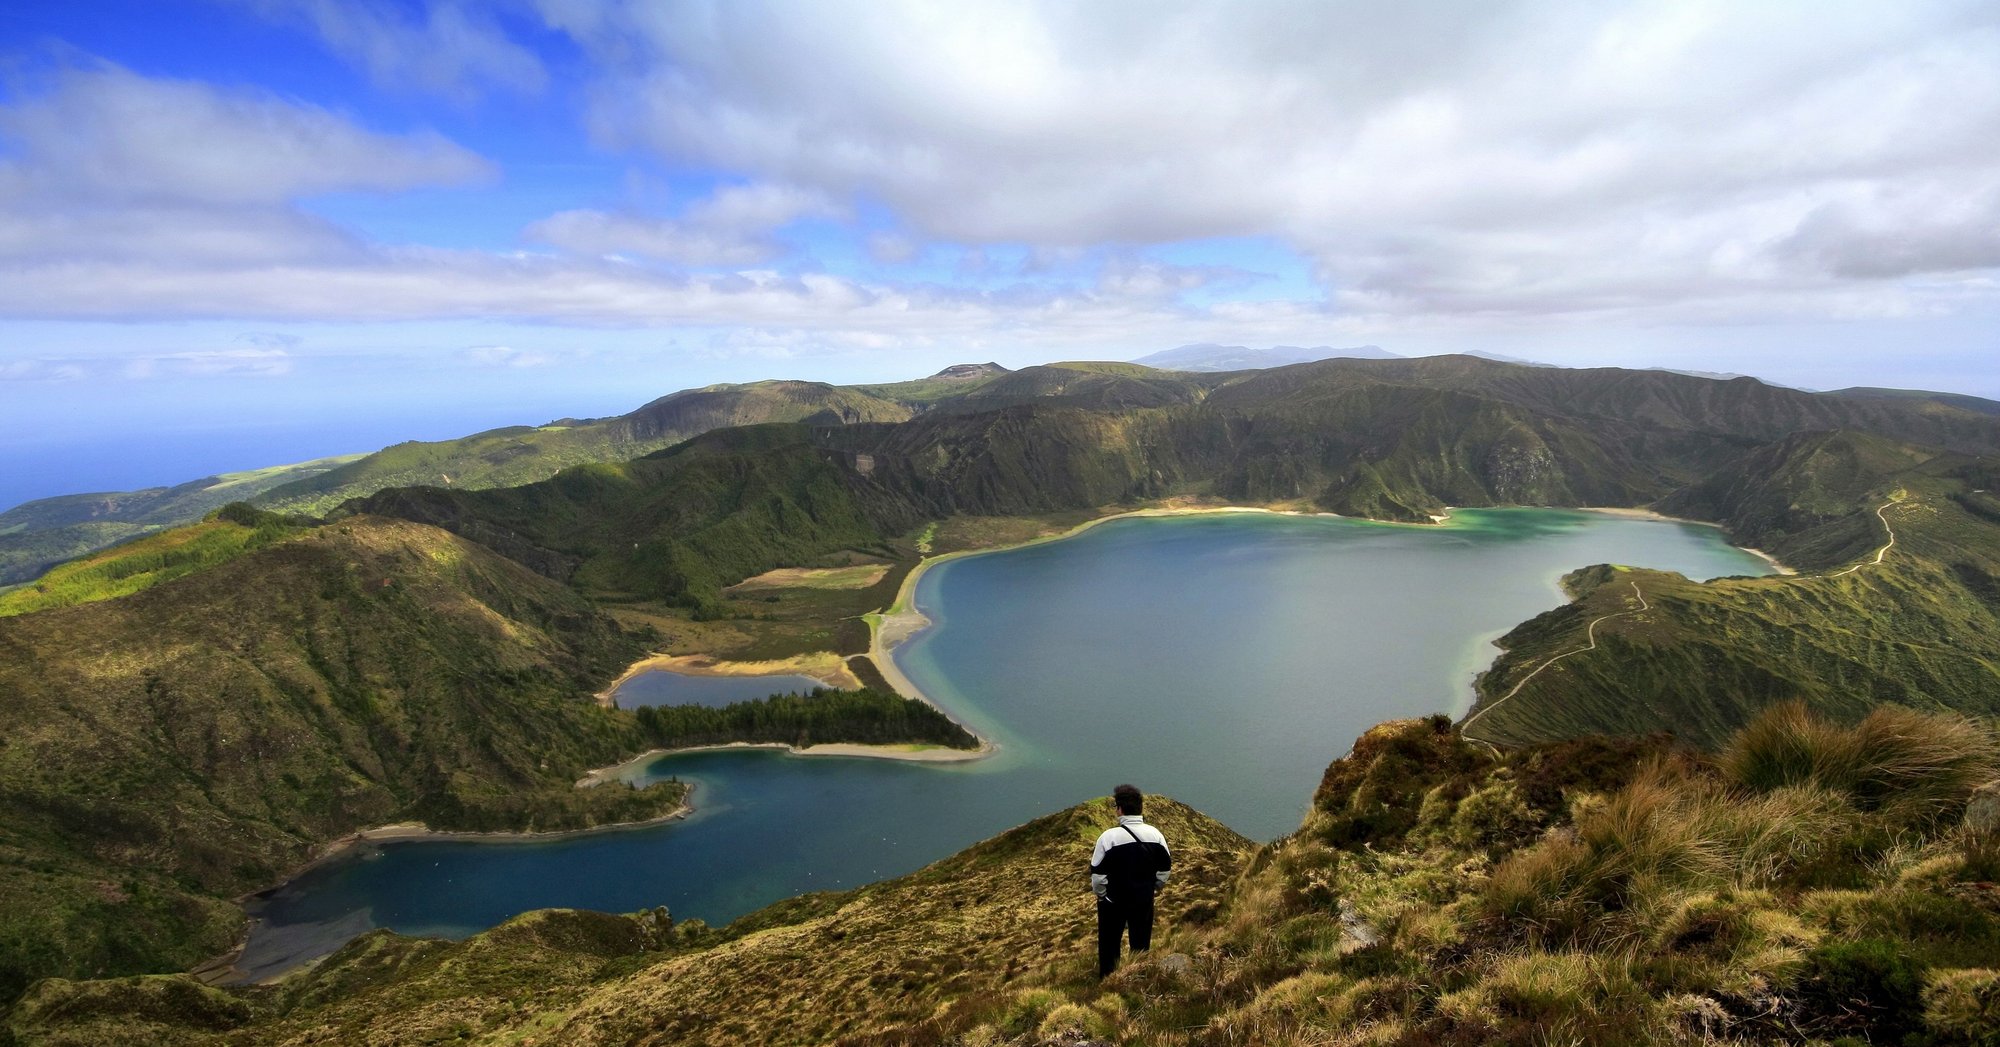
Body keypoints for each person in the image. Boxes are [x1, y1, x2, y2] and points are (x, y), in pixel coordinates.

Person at [1088, 783, 1172, 978]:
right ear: (1140, 808)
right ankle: (1139, 978)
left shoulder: (1107, 838)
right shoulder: (1156, 835)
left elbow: (1098, 875)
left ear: (1119, 809)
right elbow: (1165, 869)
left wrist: (1103, 896)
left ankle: (1109, 981)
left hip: (1113, 902)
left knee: (1109, 944)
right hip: (1143, 899)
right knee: (1141, 942)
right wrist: (1153, 888)